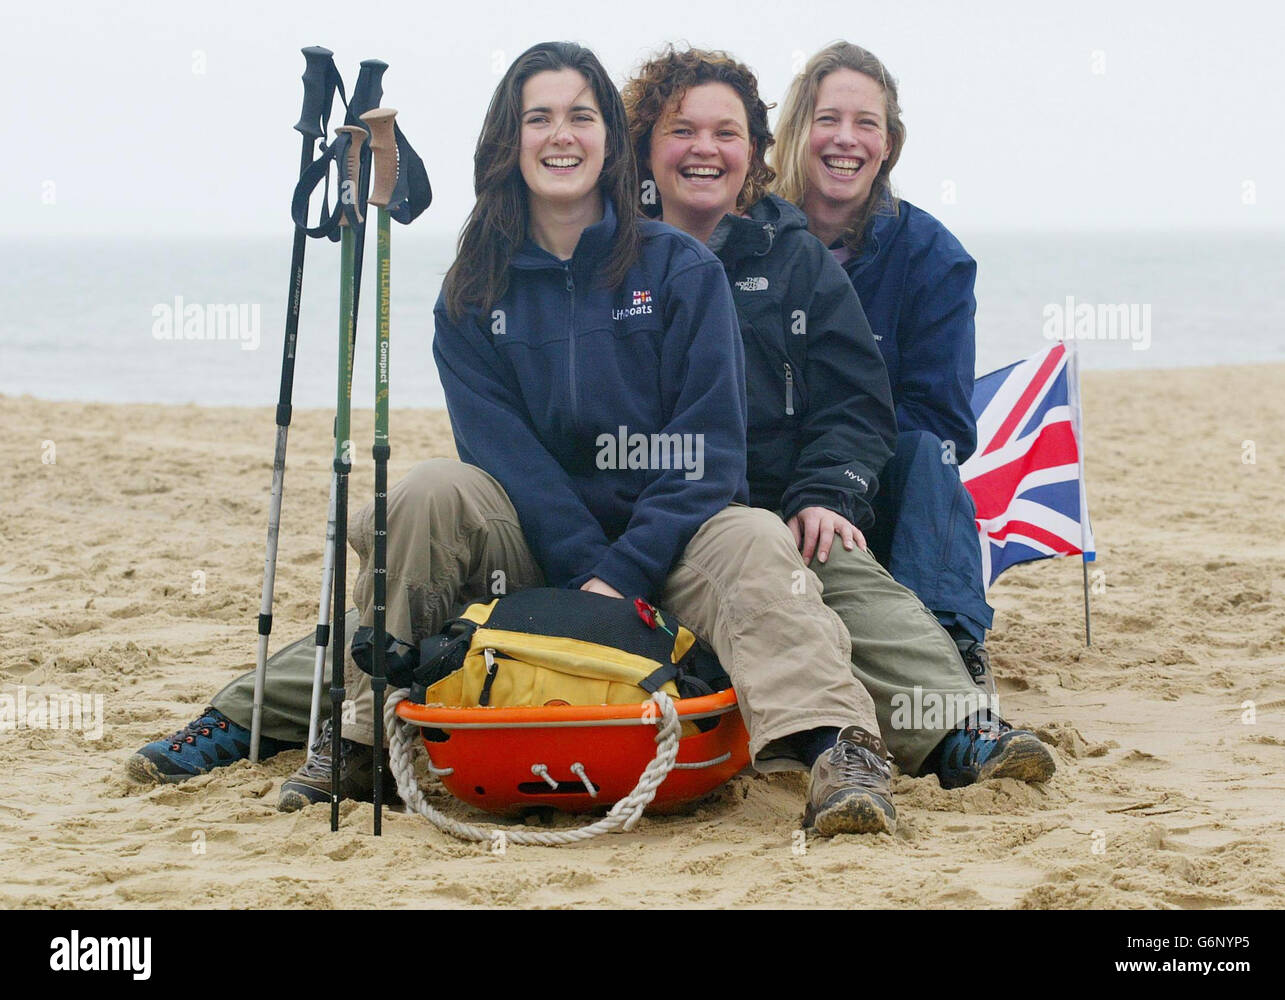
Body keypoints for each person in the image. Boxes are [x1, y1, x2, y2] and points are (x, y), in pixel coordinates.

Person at [129, 41, 901, 837]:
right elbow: (506, 464)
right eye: (539, 118)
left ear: (610, 142)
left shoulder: (679, 270)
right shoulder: (472, 290)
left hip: (673, 548)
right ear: (510, 139)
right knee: (426, 491)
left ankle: (839, 751)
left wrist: (623, 573)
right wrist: (582, 579)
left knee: (750, 532)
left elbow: (709, 455)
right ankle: (360, 740)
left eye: (580, 116)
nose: (560, 135)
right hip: (528, 553)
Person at [622, 46, 1053, 787]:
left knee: (847, 553)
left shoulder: (794, 255)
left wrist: (827, 489)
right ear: (643, 149)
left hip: (791, 503)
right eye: (681, 131)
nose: (704, 150)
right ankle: (834, 741)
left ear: (753, 149)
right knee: (761, 557)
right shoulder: (605, 257)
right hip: (655, 521)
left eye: (725, 133)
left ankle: (961, 729)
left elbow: (863, 401)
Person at [772, 41, 997, 686]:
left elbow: (946, 419)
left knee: (931, 453)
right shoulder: (746, 235)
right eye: (827, 119)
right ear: (795, 131)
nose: (846, 139)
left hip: (875, 474)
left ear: (889, 143)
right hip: (758, 463)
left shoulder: (932, 257)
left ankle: (951, 643)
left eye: (866, 123)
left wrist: (840, 463)